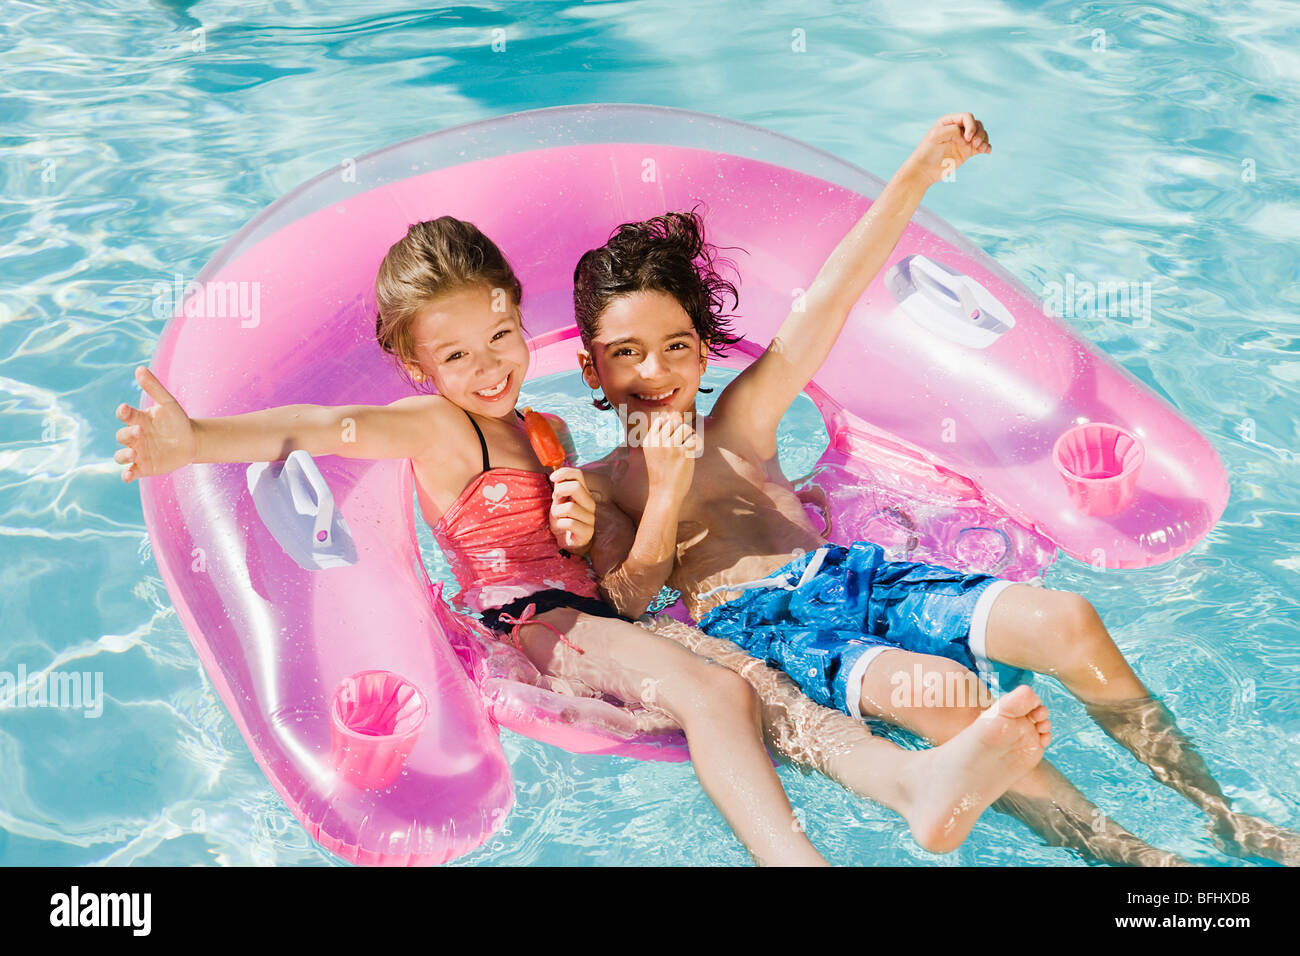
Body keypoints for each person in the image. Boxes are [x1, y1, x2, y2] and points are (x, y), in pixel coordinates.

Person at [113, 215, 1051, 866]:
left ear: (523, 319)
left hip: (600, 613)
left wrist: (587, 528)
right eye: (456, 356)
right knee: (718, 693)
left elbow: (621, 577)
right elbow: (326, 425)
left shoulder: (546, 437)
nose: (488, 367)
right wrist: (193, 442)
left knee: (762, 693)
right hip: (539, 620)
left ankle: (911, 785)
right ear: (414, 365)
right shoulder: (440, 429)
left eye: (500, 335)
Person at [574, 112, 1298, 866]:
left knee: (1070, 621)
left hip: (856, 577)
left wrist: (920, 170)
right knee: (947, 694)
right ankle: (1134, 858)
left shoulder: (739, 423)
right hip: (766, 624)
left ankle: (1225, 818)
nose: (654, 373)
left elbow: (831, 296)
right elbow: (626, 601)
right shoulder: (598, 488)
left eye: (674, 348)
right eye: (627, 354)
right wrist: (662, 491)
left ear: (702, 352)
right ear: (592, 369)